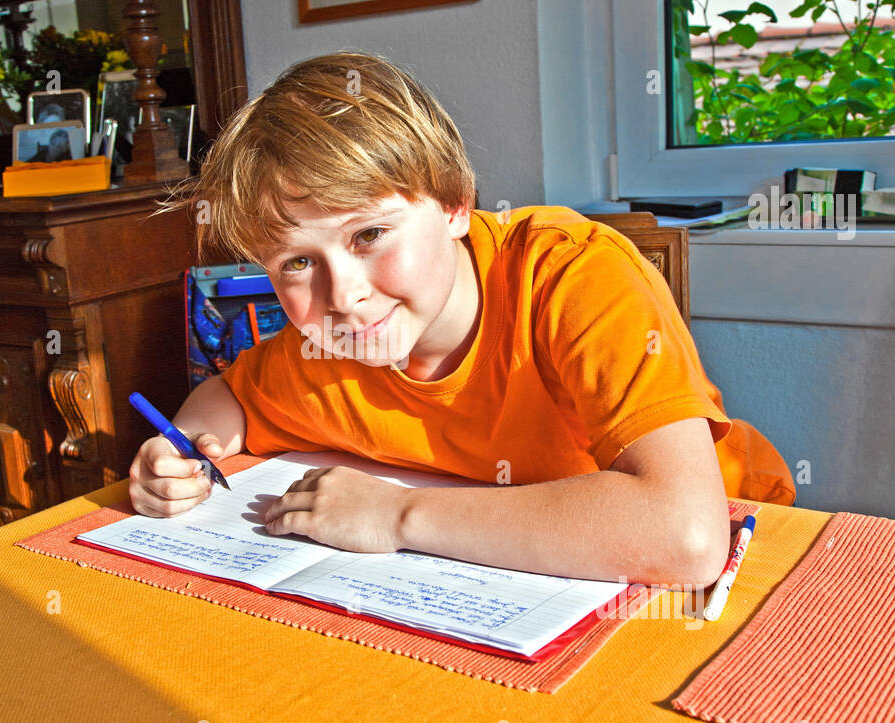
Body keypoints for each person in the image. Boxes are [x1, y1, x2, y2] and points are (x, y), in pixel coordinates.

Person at [129, 51, 795, 586]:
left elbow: (685, 536)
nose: (345, 294)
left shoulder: (574, 277)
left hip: (740, 549)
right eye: (297, 264)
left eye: (368, 237)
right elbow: (229, 397)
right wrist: (183, 447)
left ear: (453, 204)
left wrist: (396, 513)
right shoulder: (333, 345)